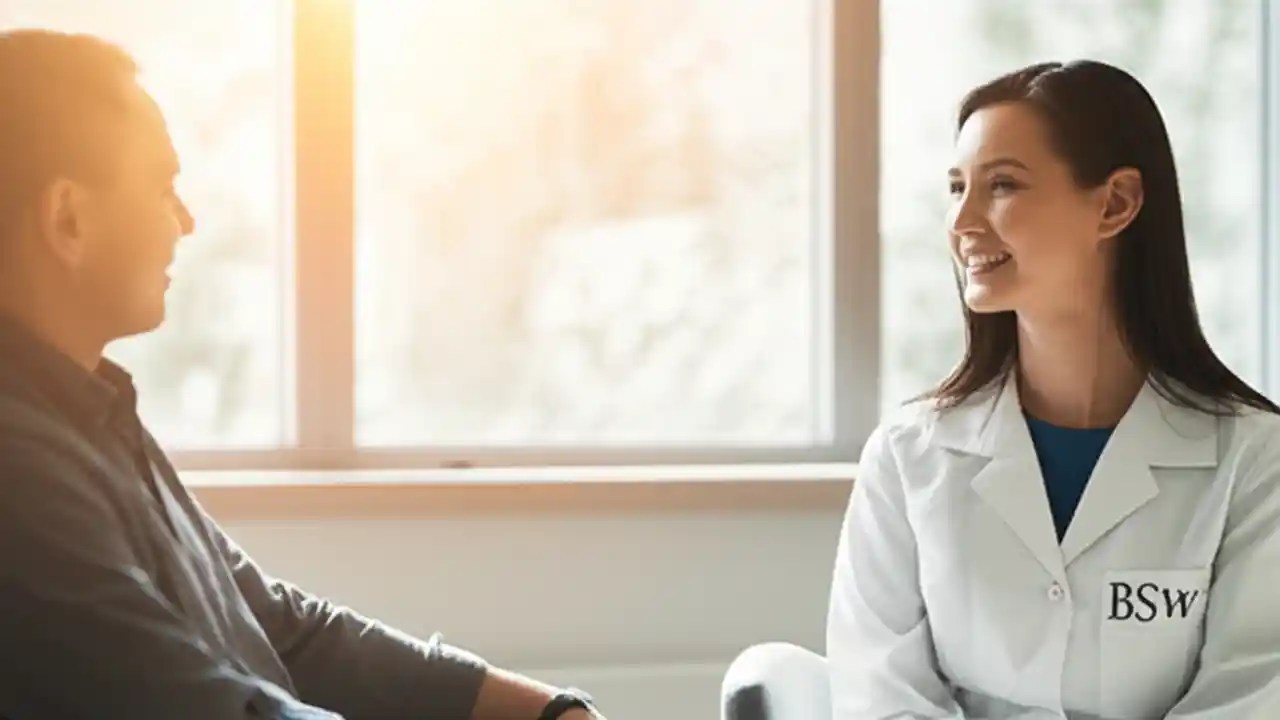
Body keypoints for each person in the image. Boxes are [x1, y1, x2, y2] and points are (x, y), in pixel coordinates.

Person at [0, 29, 603, 720]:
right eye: (164, 188)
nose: (186, 221)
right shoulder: (17, 470)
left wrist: (546, 712)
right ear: (68, 219)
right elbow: (208, 708)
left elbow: (279, 629)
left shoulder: (93, 413)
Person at [827, 60, 1280, 719]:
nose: (963, 222)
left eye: (1002, 185)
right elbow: (879, 697)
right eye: (957, 189)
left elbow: (1251, 699)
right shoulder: (906, 457)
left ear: (1116, 203)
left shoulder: (1256, 461)